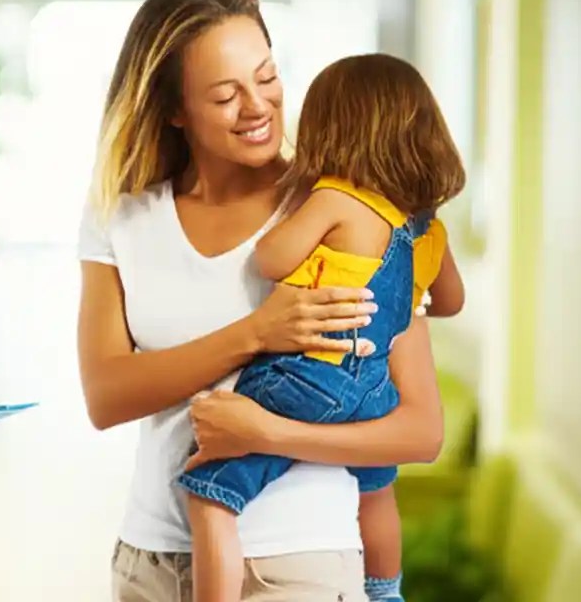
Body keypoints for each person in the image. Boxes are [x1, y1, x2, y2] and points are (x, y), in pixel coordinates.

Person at [77, 0, 446, 602]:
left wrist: (267, 434)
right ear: (173, 109)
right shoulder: (122, 215)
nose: (257, 107)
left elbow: (419, 430)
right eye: (226, 95)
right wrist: (255, 333)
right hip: (148, 561)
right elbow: (106, 396)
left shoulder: (346, 207)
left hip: (298, 562)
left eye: (267, 77)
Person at [174, 52, 467, 602]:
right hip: (374, 387)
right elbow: (449, 301)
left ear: (331, 130)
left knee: (210, 494)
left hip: (311, 376)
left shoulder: (336, 198)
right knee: (375, 493)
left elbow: (270, 258)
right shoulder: (428, 230)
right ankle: (385, 591)